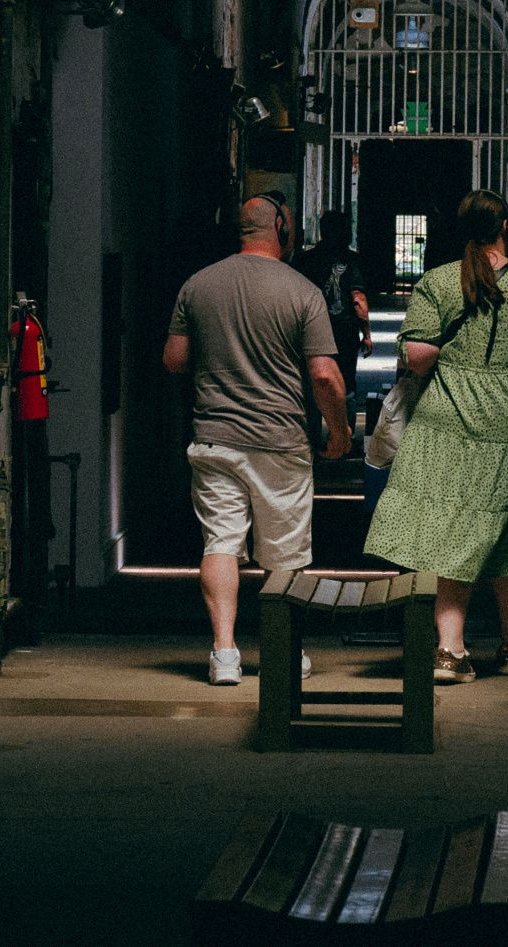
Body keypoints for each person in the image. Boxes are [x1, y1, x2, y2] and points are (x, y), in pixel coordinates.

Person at [363, 189, 508, 683]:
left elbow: (415, 355)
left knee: (452, 529)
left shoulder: (437, 282)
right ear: (505, 226)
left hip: (448, 418)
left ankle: (450, 651)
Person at [163, 195, 352, 685]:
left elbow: (175, 359)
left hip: (214, 437)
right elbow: (325, 377)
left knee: (220, 544)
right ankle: (284, 651)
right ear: (283, 228)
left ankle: (224, 653)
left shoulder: (198, 284)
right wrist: (340, 430)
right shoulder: (302, 291)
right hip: (281, 440)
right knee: (286, 554)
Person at [293, 209, 372, 438]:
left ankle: (312, 439)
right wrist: (366, 333)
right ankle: (344, 438)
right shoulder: (352, 260)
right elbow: (358, 300)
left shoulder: (304, 260)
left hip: (309, 331)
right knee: (346, 386)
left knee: (310, 386)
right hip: (344, 332)